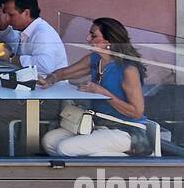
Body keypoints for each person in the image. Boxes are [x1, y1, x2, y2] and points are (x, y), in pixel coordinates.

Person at [41, 18, 148, 157]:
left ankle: (109, 162)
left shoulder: (128, 70)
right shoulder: (95, 59)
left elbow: (136, 112)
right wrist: (47, 80)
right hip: (97, 124)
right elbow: (63, 73)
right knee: (49, 140)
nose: (88, 39)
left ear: (109, 41)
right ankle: (90, 162)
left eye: (93, 35)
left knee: (65, 148)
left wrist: (102, 93)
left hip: (125, 130)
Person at [3, 0, 68, 77]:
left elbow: (45, 66)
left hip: (51, 88)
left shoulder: (43, 33)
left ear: (26, 13)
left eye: (11, 15)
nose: (6, 19)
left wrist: (12, 59)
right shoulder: (26, 29)